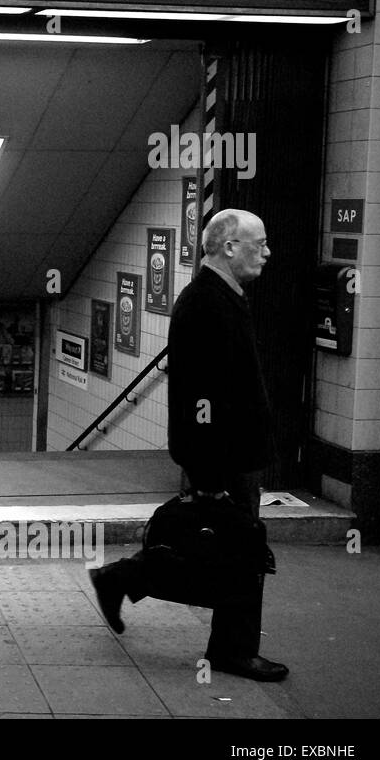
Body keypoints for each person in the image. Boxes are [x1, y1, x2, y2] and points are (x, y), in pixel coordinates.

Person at [89, 208, 287, 682]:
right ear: (228, 247)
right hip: (224, 461)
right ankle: (232, 651)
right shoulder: (204, 304)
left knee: (224, 553)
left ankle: (122, 579)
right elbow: (199, 397)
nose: (267, 252)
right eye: (258, 243)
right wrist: (208, 475)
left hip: (234, 457)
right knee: (237, 555)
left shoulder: (225, 297)